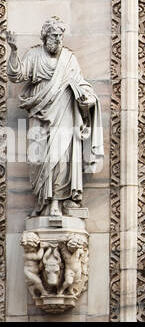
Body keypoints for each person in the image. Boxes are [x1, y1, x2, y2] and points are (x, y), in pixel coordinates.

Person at [5, 18, 103, 217]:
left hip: (64, 110)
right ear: (45, 36)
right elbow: (16, 75)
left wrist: (89, 99)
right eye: (54, 36)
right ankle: (43, 201)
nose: (58, 40)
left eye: (60, 36)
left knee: (61, 159)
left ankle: (57, 203)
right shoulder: (34, 55)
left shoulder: (69, 59)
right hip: (40, 111)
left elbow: (81, 84)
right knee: (38, 159)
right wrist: (14, 51)